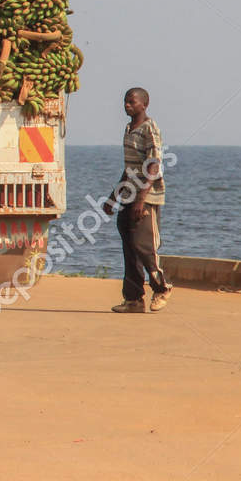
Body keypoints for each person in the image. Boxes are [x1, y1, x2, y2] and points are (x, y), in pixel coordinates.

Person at [101, 87, 171, 313]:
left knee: (144, 246)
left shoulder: (150, 129)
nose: (127, 105)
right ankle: (133, 300)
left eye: (132, 101)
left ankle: (162, 288)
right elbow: (129, 169)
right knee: (129, 247)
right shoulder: (129, 129)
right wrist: (113, 198)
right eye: (125, 101)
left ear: (144, 104)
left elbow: (153, 165)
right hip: (129, 196)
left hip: (146, 197)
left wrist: (141, 199)